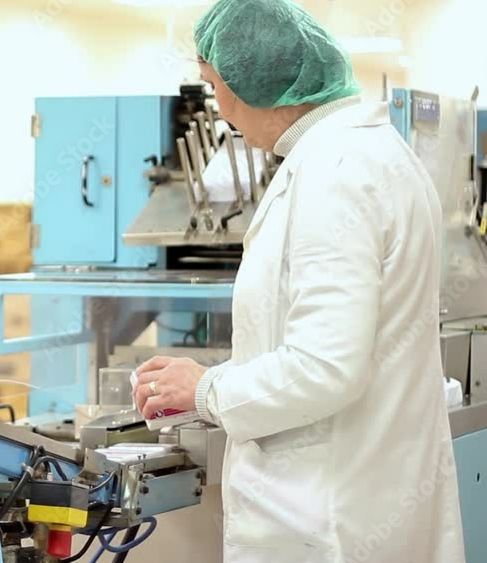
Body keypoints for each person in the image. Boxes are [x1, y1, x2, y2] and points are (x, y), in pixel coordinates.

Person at [131, 1, 467, 562]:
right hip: (365, 499)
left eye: (216, 88)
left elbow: (325, 367)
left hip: (327, 519)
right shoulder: (372, 154)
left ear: (252, 84)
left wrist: (205, 390)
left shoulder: (335, 173)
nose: (221, 110)